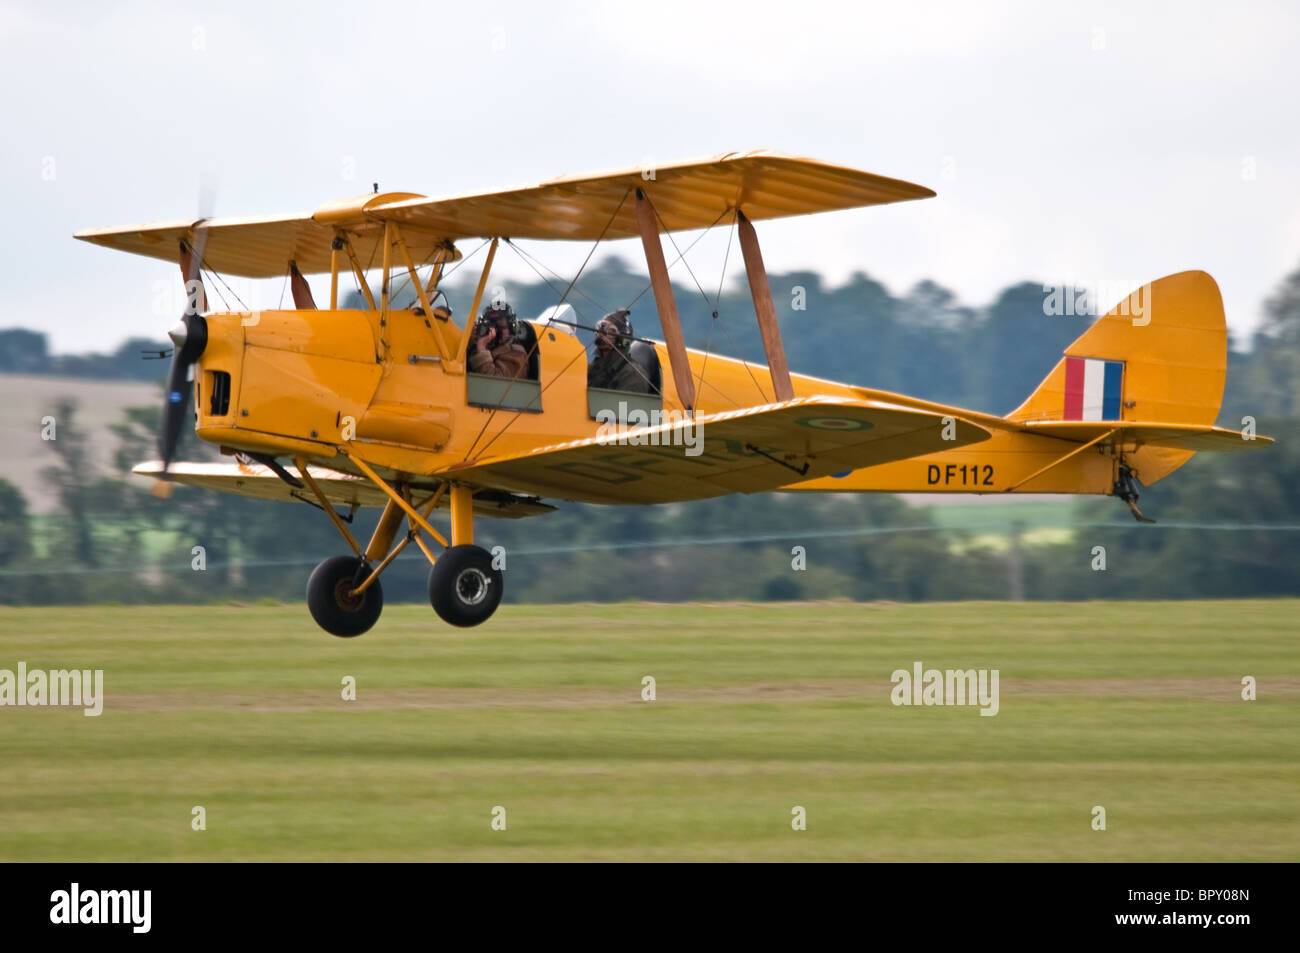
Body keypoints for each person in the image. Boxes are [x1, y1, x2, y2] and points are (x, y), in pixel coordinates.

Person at [588, 309, 652, 393]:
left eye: (609, 331)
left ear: (622, 339)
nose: (601, 334)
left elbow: (626, 405)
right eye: (599, 329)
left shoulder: (633, 374)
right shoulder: (595, 367)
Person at [468, 294, 529, 378]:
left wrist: (481, 348)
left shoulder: (516, 352)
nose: (496, 331)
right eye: (491, 325)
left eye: (501, 326)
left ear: (512, 328)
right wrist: (470, 344)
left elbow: (496, 383)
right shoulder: (485, 346)